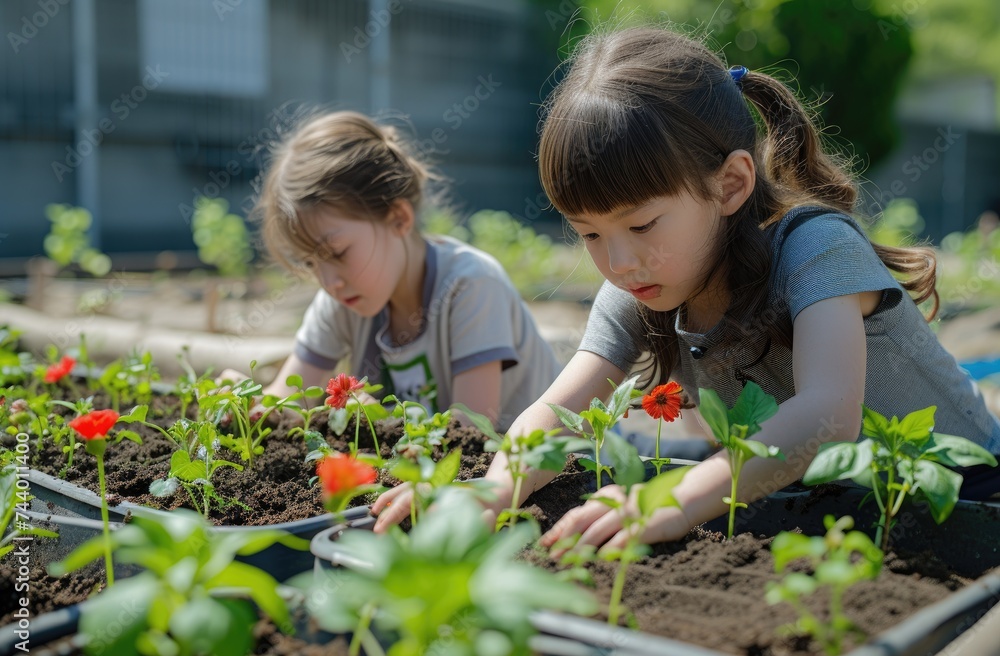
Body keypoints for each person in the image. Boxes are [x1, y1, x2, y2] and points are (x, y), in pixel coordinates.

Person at [371, 26, 1000, 548]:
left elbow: (827, 416)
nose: (618, 261)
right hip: (831, 506)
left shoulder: (815, 247)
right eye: (589, 234)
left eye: (642, 224)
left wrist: (666, 497)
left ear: (730, 184)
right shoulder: (642, 280)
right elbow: (556, 414)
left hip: (967, 494)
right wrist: (490, 488)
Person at [223, 110, 559, 431]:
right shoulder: (342, 300)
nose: (329, 282)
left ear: (399, 218)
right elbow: (287, 402)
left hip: (580, 469)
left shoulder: (471, 287)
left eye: (337, 253)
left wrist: (377, 420)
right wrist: (246, 402)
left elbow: (471, 434)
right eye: (311, 263)